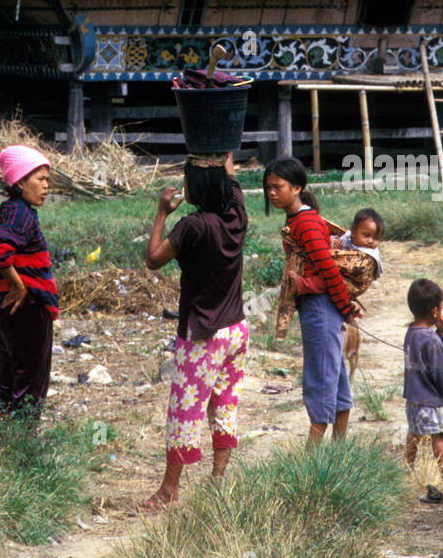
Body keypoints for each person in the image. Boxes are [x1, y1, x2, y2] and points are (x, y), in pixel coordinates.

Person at [139, 151, 249, 510]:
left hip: (202, 336)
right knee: (225, 404)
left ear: (194, 187)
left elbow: (153, 258)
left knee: (185, 411)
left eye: (187, 180)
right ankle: (218, 481)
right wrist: (220, 149)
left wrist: (161, 212)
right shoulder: (236, 211)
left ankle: (170, 490)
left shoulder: (194, 225)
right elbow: (229, 173)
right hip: (235, 328)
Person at [265, 156, 362, 444]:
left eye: (277, 187)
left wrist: (345, 308)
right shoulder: (301, 217)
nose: (271, 193)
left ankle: (313, 462)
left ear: (296, 188)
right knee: (335, 377)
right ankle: (339, 453)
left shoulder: (305, 222)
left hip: (320, 307)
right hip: (324, 305)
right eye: (268, 187)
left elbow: (328, 269)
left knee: (319, 381)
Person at [0, 144, 59, 417]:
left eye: (47, 180)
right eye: (40, 179)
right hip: (25, 306)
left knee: (10, 370)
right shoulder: (20, 213)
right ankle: (23, 444)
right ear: (19, 181)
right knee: (30, 379)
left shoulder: (11, 210)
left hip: (6, 304)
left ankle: (1, 434)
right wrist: (18, 284)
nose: (46, 186)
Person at [403, 278, 443, 486]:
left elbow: (426, 358)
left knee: (415, 433)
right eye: (439, 308)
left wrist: (441, 333)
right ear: (434, 311)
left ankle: (407, 468)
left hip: (413, 396)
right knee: (438, 436)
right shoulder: (430, 340)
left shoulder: (411, 332)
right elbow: (439, 373)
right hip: (430, 400)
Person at [290, 207, 385, 297]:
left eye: (376, 238)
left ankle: (302, 285)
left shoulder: (370, 254)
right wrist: (333, 241)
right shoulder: (348, 237)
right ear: (353, 231)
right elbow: (338, 240)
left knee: (329, 281)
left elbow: (371, 270)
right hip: (343, 273)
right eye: (366, 235)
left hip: (354, 284)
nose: (371, 241)